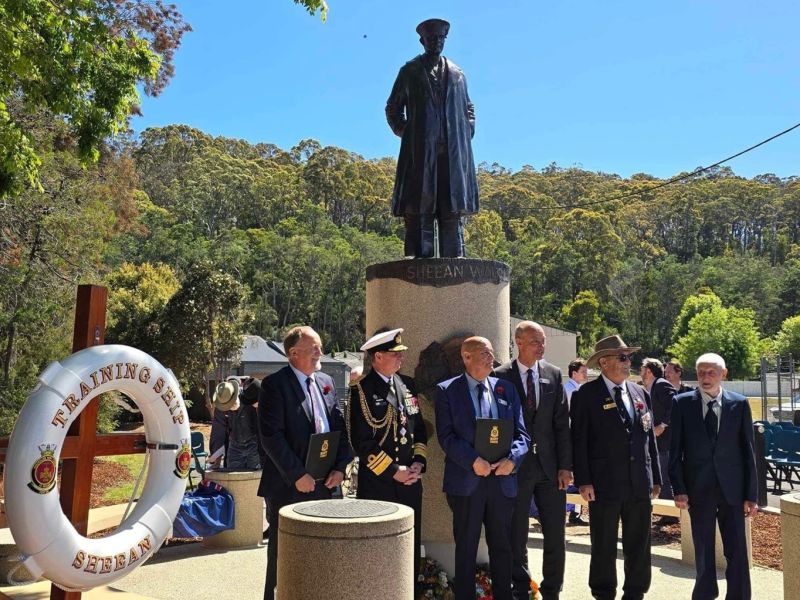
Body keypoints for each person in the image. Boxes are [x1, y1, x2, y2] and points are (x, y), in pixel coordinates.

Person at [258, 326, 351, 600]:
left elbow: (339, 430)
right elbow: (271, 437)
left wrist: (341, 467)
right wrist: (297, 474)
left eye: (319, 347)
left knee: (323, 553)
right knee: (283, 554)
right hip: (289, 486)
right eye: (313, 348)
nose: (319, 353)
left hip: (325, 485)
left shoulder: (327, 382)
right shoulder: (275, 385)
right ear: (293, 353)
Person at [436, 336, 530, 600]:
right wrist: (472, 461)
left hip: (502, 481)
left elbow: (522, 435)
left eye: (492, 353)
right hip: (467, 482)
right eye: (485, 353)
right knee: (465, 548)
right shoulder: (447, 390)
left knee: (503, 547)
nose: (492, 358)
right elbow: (446, 437)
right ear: (466, 357)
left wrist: (512, 460)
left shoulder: (506, 389)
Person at [571, 335, 661, 600]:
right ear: (604, 362)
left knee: (640, 545)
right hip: (604, 485)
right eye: (622, 357)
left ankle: (635, 592)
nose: (627, 362)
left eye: (628, 357)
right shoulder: (586, 395)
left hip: (638, 483)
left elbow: (649, 438)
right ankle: (603, 593)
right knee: (603, 545)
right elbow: (579, 440)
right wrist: (584, 480)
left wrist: (655, 476)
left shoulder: (639, 392)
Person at [385, 18, 478, 258]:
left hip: (452, 152)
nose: (436, 42)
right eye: (431, 38)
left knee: (451, 208)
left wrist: (467, 130)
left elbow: (468, 107)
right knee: (419, 207)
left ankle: (453, 261)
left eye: (440, 38)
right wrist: (408, 134)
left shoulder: (458, 74)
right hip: (421, 152)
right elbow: (393, 108)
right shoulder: (410, 71)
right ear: (422, 41)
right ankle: (418, 261)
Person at [669, 353, 758, 600]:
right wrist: (679, 488)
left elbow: (748, 451)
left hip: (733, 490)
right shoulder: (682, 403)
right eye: (701, 373)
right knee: (704, 550)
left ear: (723, 374)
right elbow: (675, 451)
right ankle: (705, 594)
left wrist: (751, 495)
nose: (706, 378)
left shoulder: (739, 404)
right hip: (698, 489)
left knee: (737, 550)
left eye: (711, 372)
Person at [494, 321, 571, 600]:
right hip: (517, 468)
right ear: (519, 342)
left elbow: (562, 424)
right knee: (517, 533)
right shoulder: (500, 375)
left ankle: (552, 590)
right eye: (536, 341)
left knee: (555, 533)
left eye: (543, 341)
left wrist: (565, 466)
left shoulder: (553, 374)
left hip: (550, 469)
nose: (542, 346)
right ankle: (522, 587)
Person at [348, 328, 428, 587]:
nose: (400, 358)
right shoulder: (361, 390)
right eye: (395, 354)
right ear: (378, 357)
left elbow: (419, 429)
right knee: (378, 549)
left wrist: (418, 463)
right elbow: (362, 442)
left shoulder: (407, 385)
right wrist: (394, 470)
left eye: (401, 354)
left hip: (410, 483)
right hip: (379, 484)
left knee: (410, 547)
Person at [639, 358, 676, 501]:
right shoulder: (648, 388)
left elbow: (675, 405)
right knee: (658, 475)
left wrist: (663, 425)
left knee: (664, 476)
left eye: (642, 369)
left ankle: (670, 513)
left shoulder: (661, 385)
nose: (640, 372)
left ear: (648, 371)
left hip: (665, 442)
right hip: (655, 441)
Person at [227, 377, 263, 470]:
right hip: (235, 445)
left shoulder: (252, 400)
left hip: (254, 445)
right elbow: (219, 429)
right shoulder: (224, 399)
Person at [208, 378, 239, 468]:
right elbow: (218, 433)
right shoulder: (219, 409)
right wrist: (216, 459)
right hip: (229, 447)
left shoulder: (248, 402)